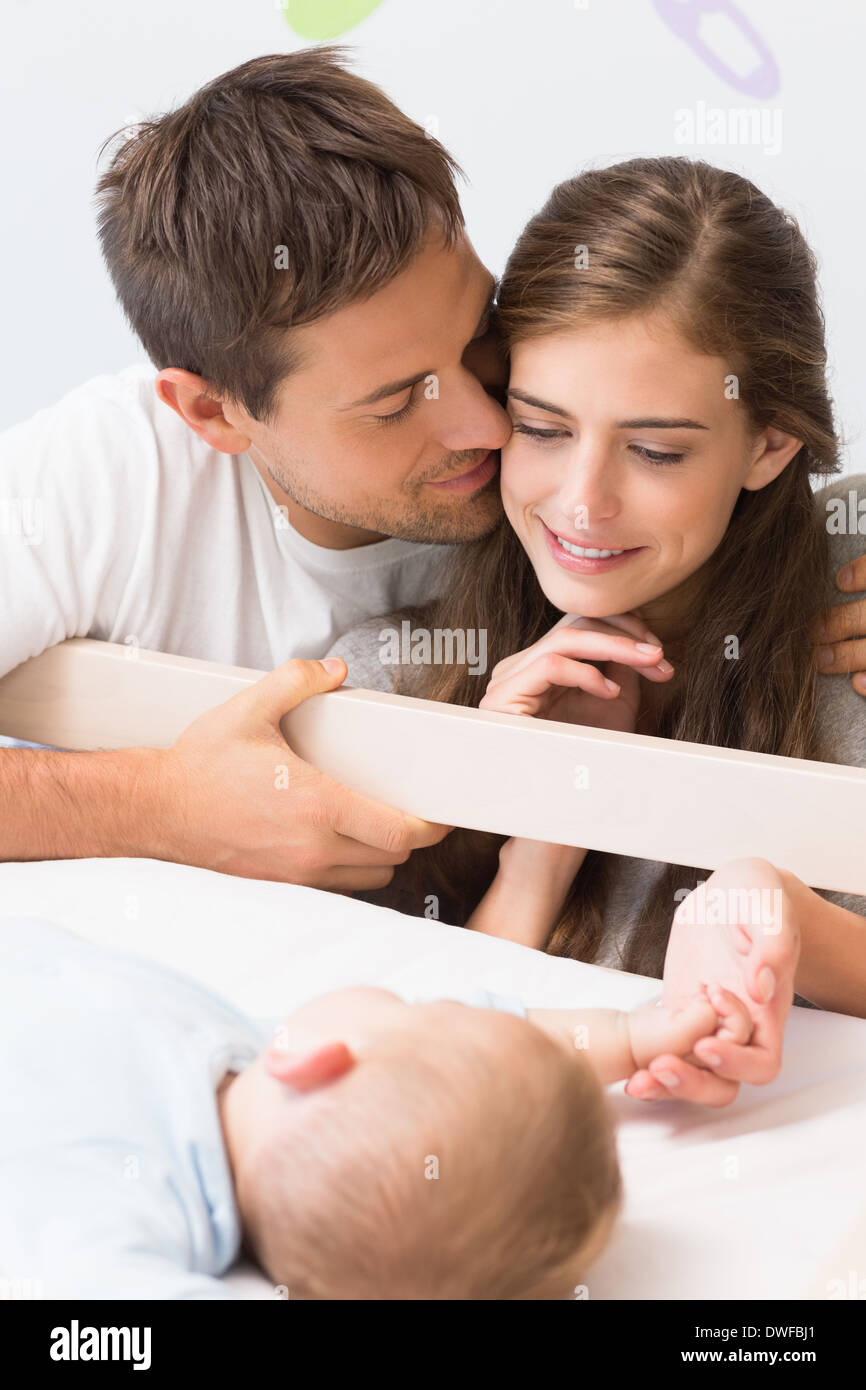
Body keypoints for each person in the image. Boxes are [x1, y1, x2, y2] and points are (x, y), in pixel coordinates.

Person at [0, 50, 863, 887]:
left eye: (480, 343)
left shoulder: (577, 484)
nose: (486, 423)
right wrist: (161, 807)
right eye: (393, 403)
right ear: (214, 413)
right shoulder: (104, 481)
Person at [326, 157, 866, 1105]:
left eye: (655, 450)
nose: (582, 505)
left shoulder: (845, 653)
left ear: (771, 444)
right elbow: (401, 1087)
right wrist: (540, 838)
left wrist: (785, 918)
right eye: (541, 428)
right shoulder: (392, 684)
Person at [0, 914, 759, 1299]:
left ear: (318, 1059)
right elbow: (502, 1044)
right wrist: (626, 1037)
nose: (438, 1000)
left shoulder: (117, 1199)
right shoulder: (255, 1075)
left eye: (408, 1004)